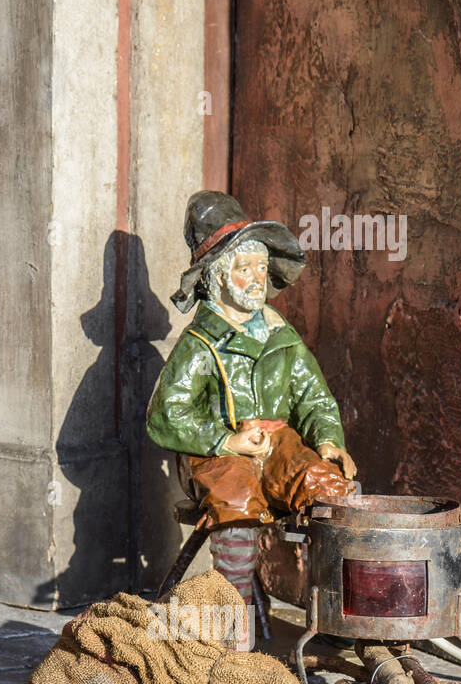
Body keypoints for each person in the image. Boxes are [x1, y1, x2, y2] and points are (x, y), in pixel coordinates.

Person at [147, 190, 356, 610]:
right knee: (237, 501)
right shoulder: (200, 344)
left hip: (279, 447)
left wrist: (330, 442)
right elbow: (165, 414)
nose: (257, 277)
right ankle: (236, 613)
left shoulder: (282, 337)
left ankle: (332, 610)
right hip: (215, 455)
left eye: (261, 267)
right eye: (245, 268)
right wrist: (227, 442)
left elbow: (314, 397)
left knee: (330, 490)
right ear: (219, 276)